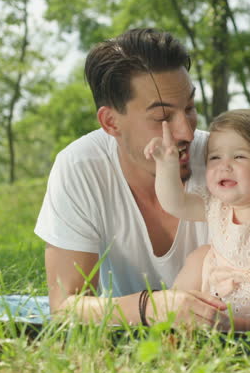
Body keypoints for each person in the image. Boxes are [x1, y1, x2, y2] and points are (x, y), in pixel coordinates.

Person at [34, 28, 227, 327]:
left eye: (189, 108)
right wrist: (150, 307)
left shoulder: (229, 164)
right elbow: (64, 306)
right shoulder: (81, 167)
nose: (186, 132)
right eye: (162, 117)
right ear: (111, 122)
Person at [144, 109, 250, 331]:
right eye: (215, 157)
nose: (224, 165)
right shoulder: (216, 205)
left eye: (239, 157)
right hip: (219, 298)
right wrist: (166, 165)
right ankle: (174, 317)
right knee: (199, 257)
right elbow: (175, 203)